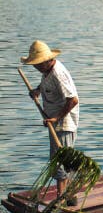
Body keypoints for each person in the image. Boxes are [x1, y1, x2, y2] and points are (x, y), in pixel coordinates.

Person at [21, 40, 80, 199]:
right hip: (54, 122)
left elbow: (73, 100)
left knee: (61, 163)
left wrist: (56, 118)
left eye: (38, 64)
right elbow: (47, 85)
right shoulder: (47, 70)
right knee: (57, 161)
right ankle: (67, 196)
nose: (36, 67)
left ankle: (63, 200)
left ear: (48, 60)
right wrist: (37, 91)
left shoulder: (58, 73)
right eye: (34, 64)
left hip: (64, 123)